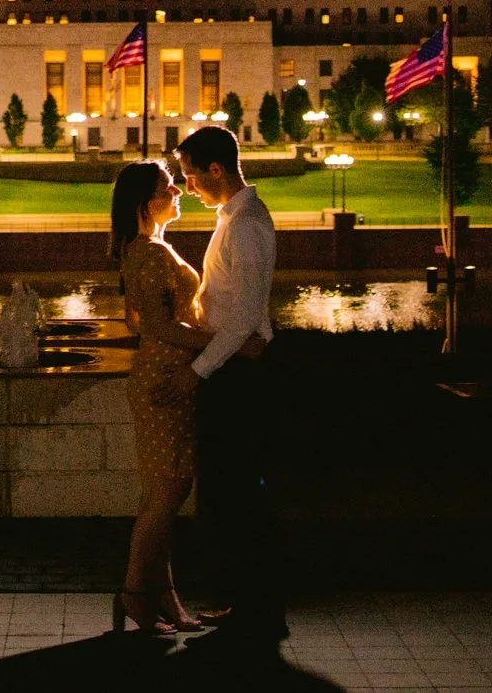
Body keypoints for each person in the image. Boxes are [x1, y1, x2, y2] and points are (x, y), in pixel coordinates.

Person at [175, 124, 284, 644]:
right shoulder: (233, 219)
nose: (187, 186)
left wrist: (197, 371)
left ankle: (259, 611)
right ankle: (249, 604)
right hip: (228, 365)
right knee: (233, 492)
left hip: (234, 374)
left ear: (216, 169)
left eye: (190, 175)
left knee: (241, 493)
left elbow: (244, 318)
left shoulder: (246, 226)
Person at [108, 159, 220, 637]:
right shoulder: (149, 253)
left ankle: (164, 596)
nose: (177, 189)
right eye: (166, 185)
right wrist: (222, 342)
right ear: (144, 202)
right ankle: (136, 593)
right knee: (167, 494)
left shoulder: (151, 248)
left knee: (162, 494)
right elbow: (155, 325)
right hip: (163, 380)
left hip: (168, 375)